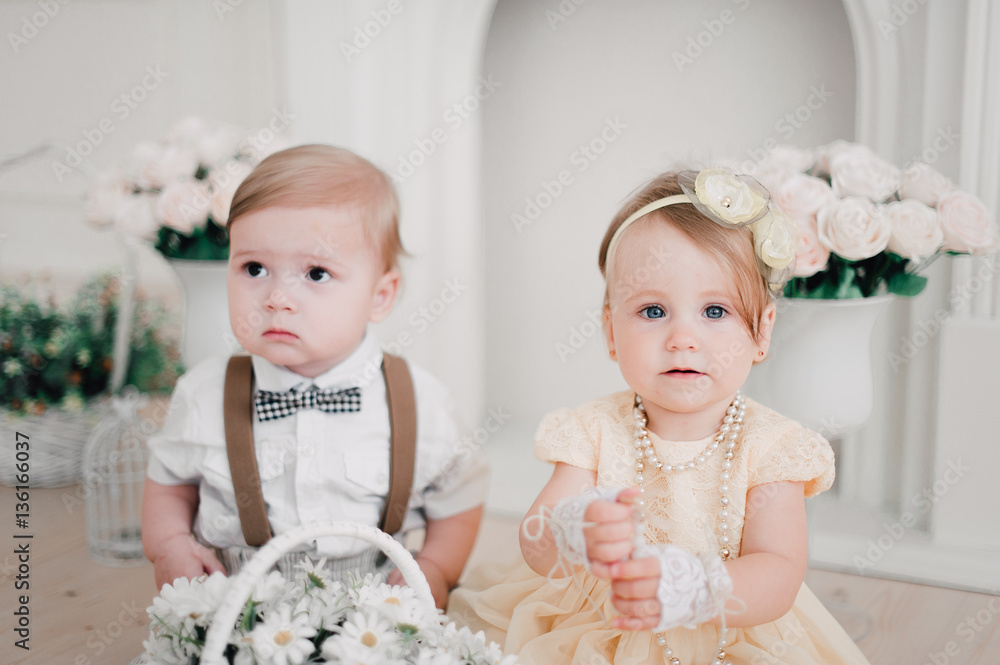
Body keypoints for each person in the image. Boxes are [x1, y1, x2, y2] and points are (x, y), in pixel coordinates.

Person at [447, 169, 871, 663]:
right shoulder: (594, 430)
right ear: (611, 332)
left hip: (729, 629)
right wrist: (574, 532)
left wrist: (691, 588)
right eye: (653, 311)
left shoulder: (772, 446)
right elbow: (536, 540)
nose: (682, 339)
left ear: (761, 331)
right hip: (597, 624)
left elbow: (779, 573)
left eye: (715, 311)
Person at [141, 144, 487, 609]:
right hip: (234, 607)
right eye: (254, 268)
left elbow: (459, 499)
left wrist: (437, 569)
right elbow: (170, 482)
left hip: (371, 616)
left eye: (316, 273)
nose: (277, 298)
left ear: (380, 296)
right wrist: (169, 544)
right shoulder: (204, 393)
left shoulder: (419, 403)